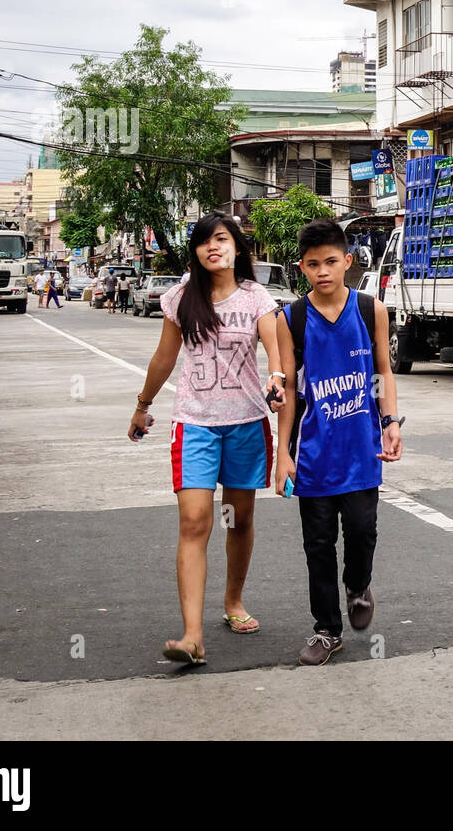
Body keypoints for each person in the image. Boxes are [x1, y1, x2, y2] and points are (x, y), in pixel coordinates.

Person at [128, 212, 286, 666]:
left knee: (237, 520)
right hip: (194, 424)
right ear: (195, 252)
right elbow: (164, 357)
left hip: (246, 425)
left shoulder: (258, 298)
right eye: (204, 242)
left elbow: (275, 350)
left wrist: (276, 378)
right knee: (195, 522)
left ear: (237, 246)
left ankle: (233, 601)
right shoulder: (180, 298)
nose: (212, 247)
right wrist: (143, 405)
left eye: (221, 239)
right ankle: (192, 636)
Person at [274, 218, 403, 667]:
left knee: (363, 532)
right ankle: (327, 630)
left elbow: (383, 370)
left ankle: (358, 583)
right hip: (314, 456)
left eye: (331, 261)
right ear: (302, 268)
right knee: (317, 545)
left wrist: (390, 421)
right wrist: (283, 454)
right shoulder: (289, 318)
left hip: (362, 450)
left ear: (347, 261)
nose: (323, 271)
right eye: (313, 264)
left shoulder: (372, 310)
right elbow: (289, 389)